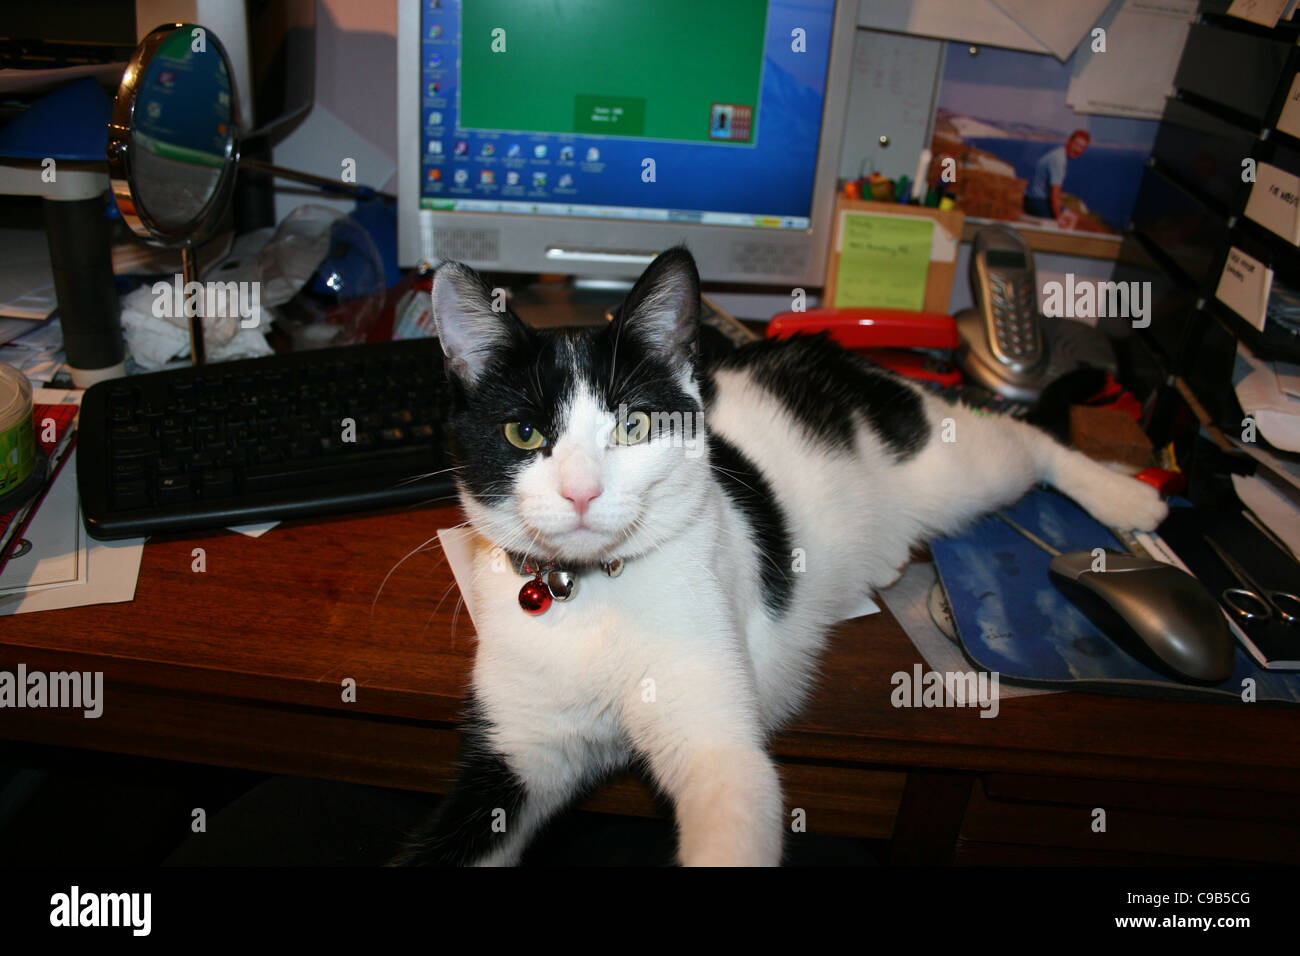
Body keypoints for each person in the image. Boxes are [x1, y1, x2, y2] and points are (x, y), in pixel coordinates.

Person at [1024, 129, 1090, 229]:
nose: (1078, 150)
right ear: (1069, 141)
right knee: (1070, 219)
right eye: (1076, 145)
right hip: (1037, 203)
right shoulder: (1058, 160)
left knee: (1069, 215)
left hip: (1031, 200)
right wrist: (1059, 217)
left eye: (1082, 147)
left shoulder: (1057, 154)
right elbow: (1055, 194)